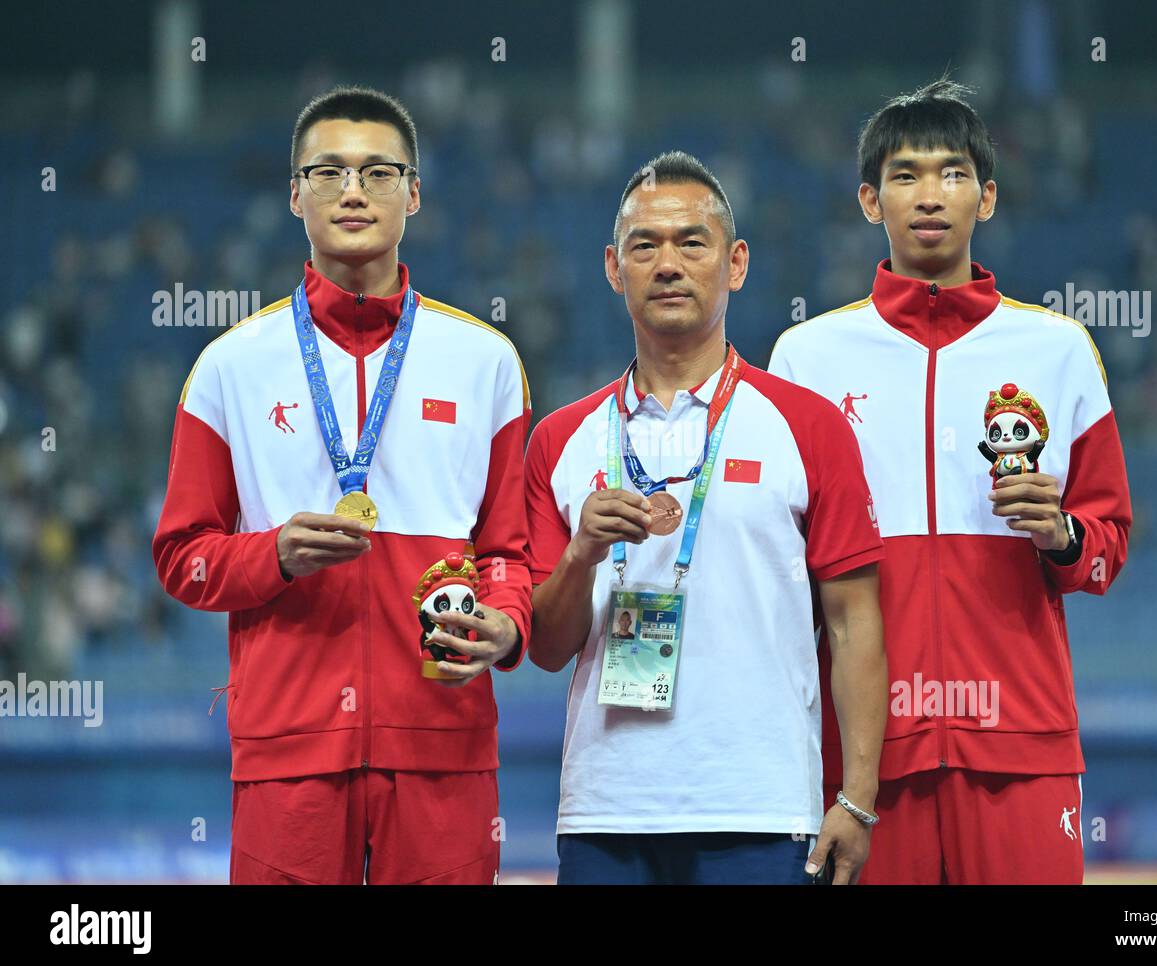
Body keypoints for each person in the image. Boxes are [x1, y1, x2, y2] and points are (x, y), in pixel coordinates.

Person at [152, 85, 532, 885]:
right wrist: (273, 556)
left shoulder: (486, 361)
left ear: (415, 192)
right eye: (327, 173)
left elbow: (506, 549)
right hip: (290, 753)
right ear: (295, 195)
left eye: (378, 172)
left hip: (444, 745)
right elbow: (182, 559)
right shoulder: (230, 367)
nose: (353, 191)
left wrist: (506, 624)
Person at [768, 78, 1133, 884]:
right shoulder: (804, 357)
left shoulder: (1060, 350)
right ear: (870, 200)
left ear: (988, 196)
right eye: (904, 175)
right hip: (865, 761)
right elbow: (779, 563)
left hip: (1021, 740)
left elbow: (1108, 550)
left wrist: (1062, 534)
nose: (929, 194)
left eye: (952, 173)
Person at [524, 151, 888, 885]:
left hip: (761, 810)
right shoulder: (560, 439)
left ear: (736, 262)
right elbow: (546, 647)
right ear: (611, 267)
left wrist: (857, 797)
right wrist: (581, 555)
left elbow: (854, 624)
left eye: (692, 242)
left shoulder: (808, 427)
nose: (668, 264)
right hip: (606, 813)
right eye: (644, 245)